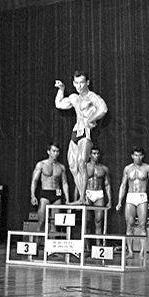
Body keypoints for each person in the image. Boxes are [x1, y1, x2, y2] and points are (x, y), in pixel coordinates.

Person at [54, 70, 108, 203]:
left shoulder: (92, 97)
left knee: (81, 162)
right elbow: (59, 104)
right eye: (76, 83)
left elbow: (103, 109)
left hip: (86, 132)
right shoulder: (74, 97)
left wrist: (91, 119)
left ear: (87, 82)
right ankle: (83, 197)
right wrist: (61, 90)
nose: (79, 86)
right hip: (75, 131)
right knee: (72, 165)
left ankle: (83, 197)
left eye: (82, 83)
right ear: (73, 83)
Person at [116, 146, 149, 259]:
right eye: (135, 155)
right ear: (132, 156)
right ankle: (130, 251)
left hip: (142, 196)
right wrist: (120, 201)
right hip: (130, 196)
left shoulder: (148, 168)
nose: (137, 157)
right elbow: (123, 185)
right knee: (129, 225)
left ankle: (142, 252)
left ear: (142, 156)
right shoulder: (127, 169)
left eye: (139, 155)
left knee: (142, 225)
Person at [30, 143, 70, 231]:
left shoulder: (61, 167)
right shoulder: (41, 164)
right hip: (45, 192)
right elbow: (34, 180)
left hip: (57, 193)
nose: (56, 153)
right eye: (54, 151)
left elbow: (64, 183)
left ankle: (52, 244)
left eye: (57, 151)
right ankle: (37, 242)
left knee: (55, 222)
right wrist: (33, 195)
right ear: (49, 152)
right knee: (41, 221)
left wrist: (67, 199)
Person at [85, 146, 112, 237]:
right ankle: (86, 247)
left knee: (99, 220)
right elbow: (79, 184)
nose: (96, 156)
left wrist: (110, 200)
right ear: (89, 155)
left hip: (99, 193)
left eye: (97, 154)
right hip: (87, 192)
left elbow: (107, 185)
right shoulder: (84, 167)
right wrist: (79, 198)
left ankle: (98, 245)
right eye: (94, 153)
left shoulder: (104, 168)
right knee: (87, 220)